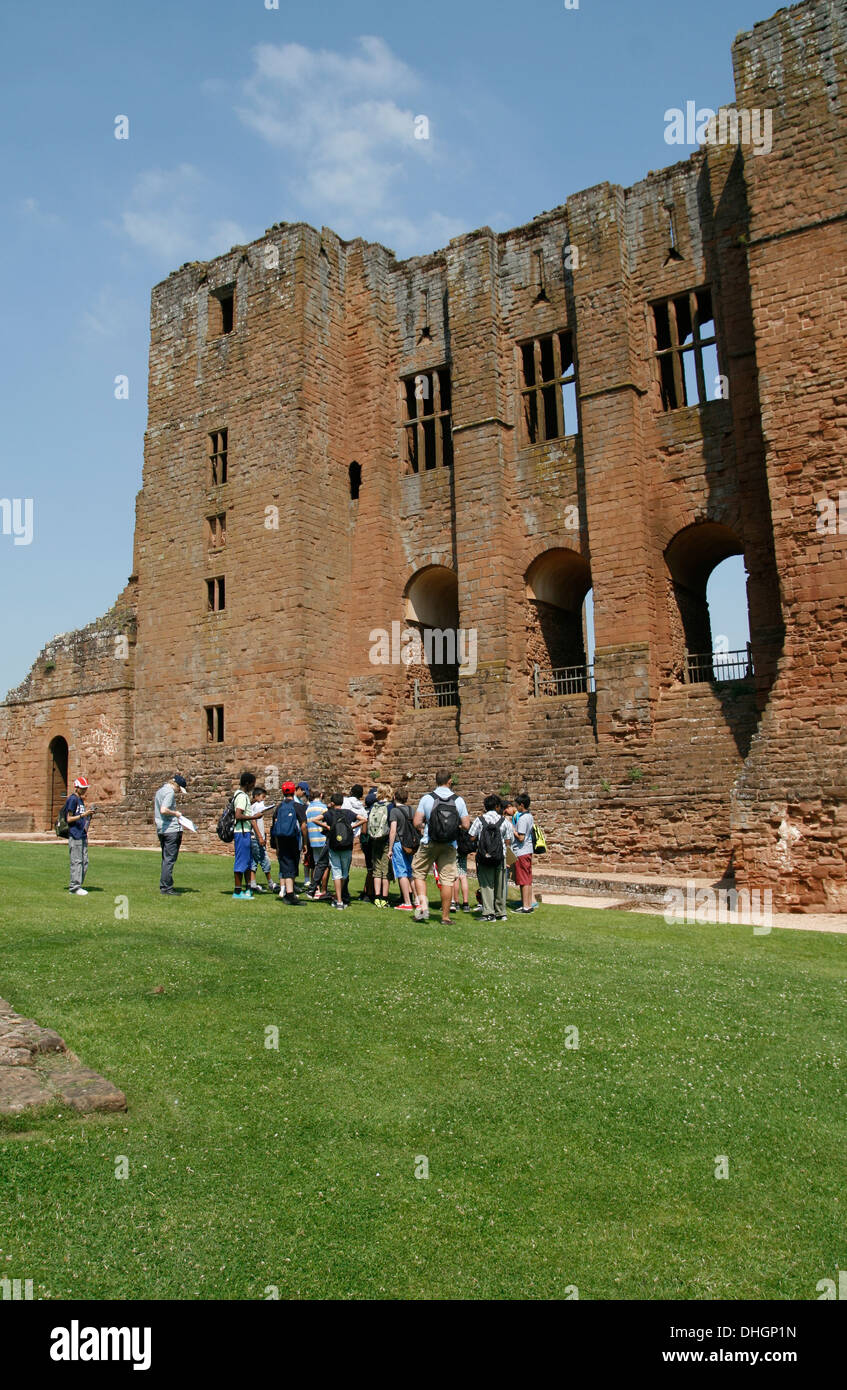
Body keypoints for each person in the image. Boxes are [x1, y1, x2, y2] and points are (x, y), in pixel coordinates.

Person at [411, 770, 470, 925]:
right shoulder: (458, 800)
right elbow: (466, 825)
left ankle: (423, 907)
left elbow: (416, 822)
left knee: (419, 873)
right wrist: (452, 827)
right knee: (447, 880)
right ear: (450, 781)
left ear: (435, 780)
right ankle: (445, 917)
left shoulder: (427, 798)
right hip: (449, 844)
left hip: (429, 841)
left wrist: (427, 826)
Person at [469, 794, 515, 921]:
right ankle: (501, 912)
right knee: (500, 885)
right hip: (500, 857)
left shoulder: (480, 820)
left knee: (486, 884)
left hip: (484, 856)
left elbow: (471, 836)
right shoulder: (504, 821)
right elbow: (508, 840)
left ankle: (489, 912)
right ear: (497, 806)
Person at [319, 793, 366, 908]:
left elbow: (314, 819)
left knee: (336, 871)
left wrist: (327, 827)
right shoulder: (348, 813)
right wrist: (352, 827)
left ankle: (339, 900)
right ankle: (339, 896)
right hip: (347, 845)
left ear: (333, 803)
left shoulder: (329, 813)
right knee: (344, 873)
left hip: (334, 845)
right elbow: (363, 819)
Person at [153, 774, 187, 895]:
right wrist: (176, 813)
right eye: (179, 789)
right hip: (170, 830)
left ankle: (165, 885)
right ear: (177, 786)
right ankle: (167, 888)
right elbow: (163, 810)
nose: (178, 791)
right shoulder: (169, 792)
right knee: (169, 860)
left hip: (162, 829)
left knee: (166, 859)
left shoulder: (160, 791)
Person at [64, 776, 96, 895]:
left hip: (82, 834)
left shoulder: (80, 800)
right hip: (75, 834)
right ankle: (74, 887)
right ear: (76, 788)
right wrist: (83, 815)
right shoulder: (73, 799)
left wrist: (88, 815)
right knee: (77, 861)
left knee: (85, 861)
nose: (84, 790)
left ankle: (78, 885)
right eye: (82, 788)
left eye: (85, 788)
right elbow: (69, 818)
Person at [271, 782, 302, 903]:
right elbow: (303, 825)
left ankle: (289, 893)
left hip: (281, 840)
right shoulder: (297, 806)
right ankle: (289, 895)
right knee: (292, 866)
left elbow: (274, 826)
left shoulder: (279, 807)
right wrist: (304, 843)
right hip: (293, 839)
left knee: (286, 866)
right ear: (294, 792)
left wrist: (277, 846)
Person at [387, 788, 415, 911]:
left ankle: (407, 902)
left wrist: (390, 848)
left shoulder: (394, 811)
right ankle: (417, 900)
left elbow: (393, 830)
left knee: (401, 872)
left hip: (399, 843)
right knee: (410, 872)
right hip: (410, 844)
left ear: (394, 797)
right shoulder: (411, 810)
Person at [232, 770, 259, 899]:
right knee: (241, 862)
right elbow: (238, 815)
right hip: (241, 833)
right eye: (252, 784)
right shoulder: (242, 796)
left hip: (244, 832)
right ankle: (237, 892)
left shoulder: (240, 795)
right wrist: (254, 816)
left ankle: (247, 889)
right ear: (247, 783)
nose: (253, 787)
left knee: (247, 862)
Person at [366, 784, 393, 908]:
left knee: (376, 869)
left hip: (374, 839)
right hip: (386, 840)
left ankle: (377, 897)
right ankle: (384, 898)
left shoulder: (373, 806)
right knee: (385, 870)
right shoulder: (391, 806)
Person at [249, 785, 278, 894]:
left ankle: (252, 883)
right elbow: (253, 821)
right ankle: (271, 883)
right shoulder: (256, 807)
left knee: (254, 861)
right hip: (256, 838)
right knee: (264, 859)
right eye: (263, 796)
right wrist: (260, 836)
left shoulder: (253, 807)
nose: (264, 799)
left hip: (255, 837)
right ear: (256, 796)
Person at [342, 783, 368, 904]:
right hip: (351, 837)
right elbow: (364, 827)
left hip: (340, 834)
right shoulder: (362, 809)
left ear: (351, 792)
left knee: (337, 865)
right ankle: (344, 891)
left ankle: (340, 892)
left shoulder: (345, 801)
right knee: (346, 864)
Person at [512, 792, 536, 913]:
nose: (516, 808)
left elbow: (521, 837)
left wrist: (512, 830)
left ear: (522, 805)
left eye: (517, 805)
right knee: (527, 878)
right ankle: (528, 904)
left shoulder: (522, 818)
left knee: (523, 880)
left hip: (522, 851)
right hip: (528, 850)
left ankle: (525, 906)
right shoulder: (530, 816)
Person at [305, 790, 330, 900]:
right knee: (325, 865)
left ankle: (315, 889)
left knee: (316, 864)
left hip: (312, 838)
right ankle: (323, 890)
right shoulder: (323, 807)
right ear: (320, 795)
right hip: (323, 837)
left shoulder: (308, 808)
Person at [295, 783, 311, 887]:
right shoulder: (294, 802)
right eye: (303, 793)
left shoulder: (300, 802)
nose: (303, 795)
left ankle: (292, 883)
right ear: (299, 789)